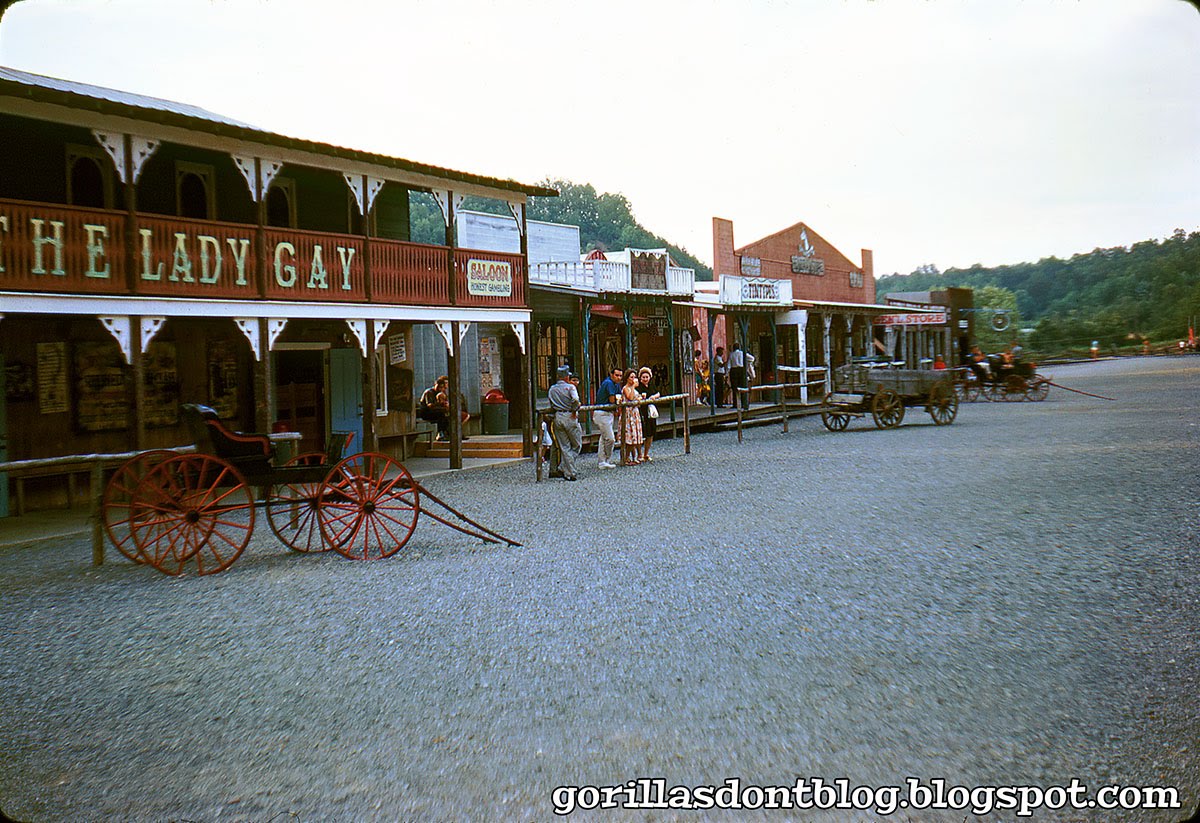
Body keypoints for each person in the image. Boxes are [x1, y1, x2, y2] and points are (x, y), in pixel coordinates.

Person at [547, 365, 581, 481]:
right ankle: (569, 470)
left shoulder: (552, 389)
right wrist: (574, 409)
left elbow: (551, 403)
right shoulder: (570, 388)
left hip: (558, 416)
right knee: (576, 444)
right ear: (567, 376)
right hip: (569, 415)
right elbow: (575, 400)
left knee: (564, 446)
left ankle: (566, 470)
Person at [593, 367, 623, 469]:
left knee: (603, 438)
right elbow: (612, 399)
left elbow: (619, 396)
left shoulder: (616, 384)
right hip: (602, 413)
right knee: (610, 439)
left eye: (620, 376)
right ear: (611, 375)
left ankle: (603, 461)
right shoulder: (609, 383)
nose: (618, 378)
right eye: (616, 375)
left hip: (608, 413)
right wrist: (617, 401)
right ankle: (607, 458)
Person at [619, 368, 644, 466]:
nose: (633, 379)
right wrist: (633, 386)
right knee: (629, 437)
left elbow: (636, 398)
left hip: (635, 413)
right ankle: (626, 457)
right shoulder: (626, 388)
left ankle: (634, 457)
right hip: (628, 414)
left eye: (634, 377)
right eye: (631, 377)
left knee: (635, 436)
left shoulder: (634, 389)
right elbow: (629, 397)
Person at [636, 367, 661, 463]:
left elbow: (658, 393)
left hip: (651, 412)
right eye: (643, 377)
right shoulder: (638, 386)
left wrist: (654, 396)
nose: (645, 379)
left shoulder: (651, 385)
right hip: (642, 411)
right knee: (641, 433)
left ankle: (646, 453)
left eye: (647, 377)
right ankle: (639, 454)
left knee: (650, 433)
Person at [729, 342, 749, 411]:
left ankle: (735, 403)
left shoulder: (731, 354)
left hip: (734, 370)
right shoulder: (742, 353)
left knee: (735, 387)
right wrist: (747, 364)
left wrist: (726, 374)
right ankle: (743, 403)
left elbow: (729, 365)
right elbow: (752, 358)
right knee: (742, 386)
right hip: (741, 369)